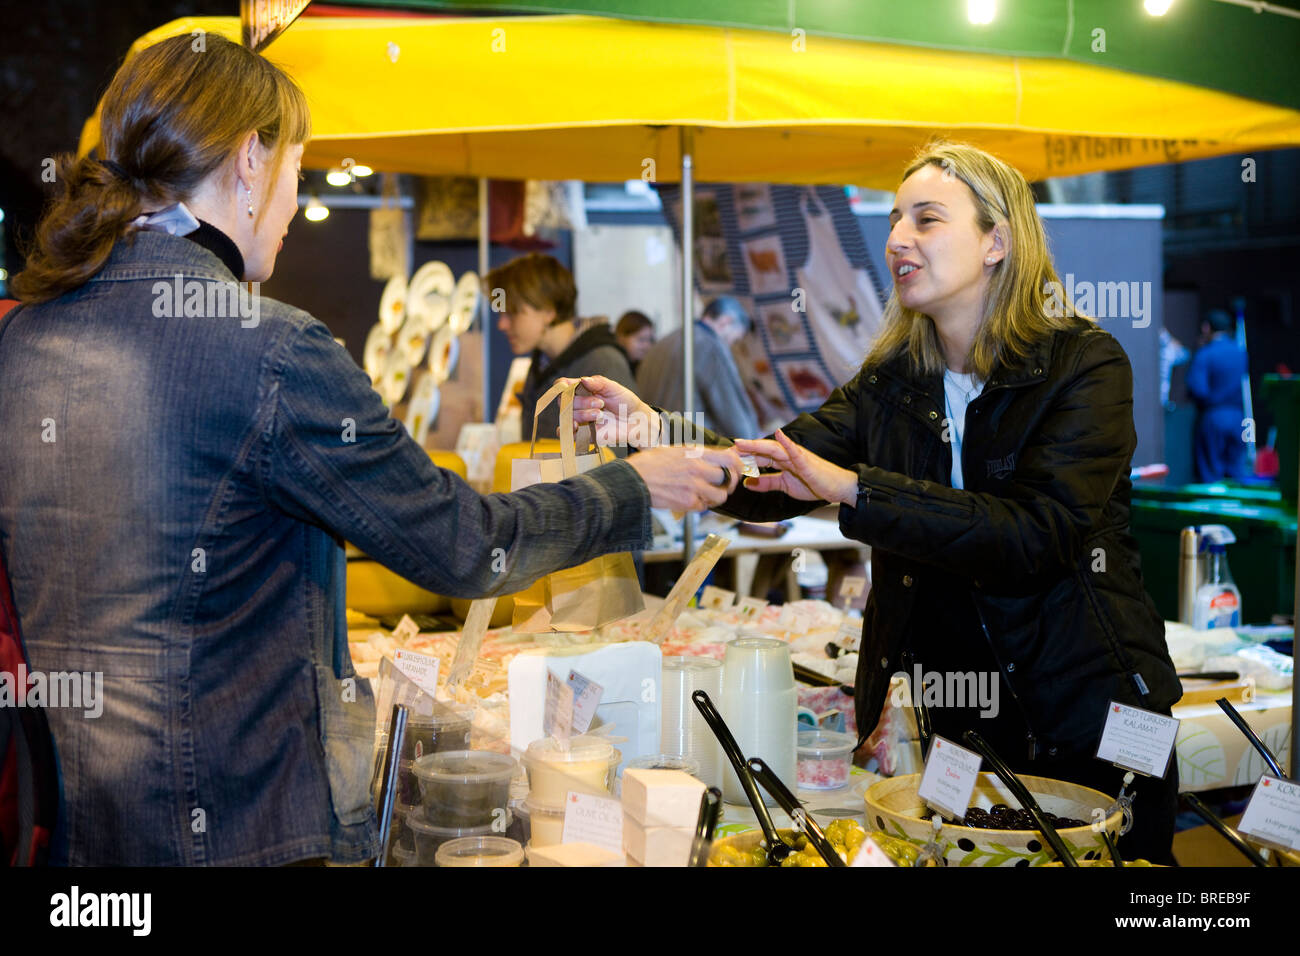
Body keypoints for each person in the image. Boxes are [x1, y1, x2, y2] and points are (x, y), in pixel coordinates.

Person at [0, 34, 742, 866]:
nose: (290, 204)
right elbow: (465, 544)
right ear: (250, 158)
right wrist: (632, 487)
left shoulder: (22, 336)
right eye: (297, 172)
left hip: (75, 834)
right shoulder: (270, 349)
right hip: (242, 828)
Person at [576, 142, 1182, 864]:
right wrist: (657, 431)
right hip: (964, 720)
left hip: (1089, 712)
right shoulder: (895, 380)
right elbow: (773, 471)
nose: (897, 237)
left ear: (998, 241)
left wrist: (857, 489)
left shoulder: (1085, 365)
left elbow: (1032, 534)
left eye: (927, 219)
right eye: (896, 218)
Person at [486, 253, 637, 445]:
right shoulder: (542, 364)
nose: (502, 325)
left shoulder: (604, 364)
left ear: (548, 311)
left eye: (513, 313)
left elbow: (619, 457)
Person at [637, 296, 762, 440]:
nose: (731, 346)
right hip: (688, 448)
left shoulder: (664, 342)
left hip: (652, 444)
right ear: (725, 322)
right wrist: (753, 443)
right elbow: (736, 419)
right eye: (734, 340)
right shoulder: (710, 346)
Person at [1186, 308, 1249, 482]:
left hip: (1213, 416)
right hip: (1238, 417)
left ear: (1207, 328)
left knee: (1210, 474)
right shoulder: (1240, 353)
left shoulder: (1205, 354)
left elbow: (1198, 389)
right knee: (1237, 473)